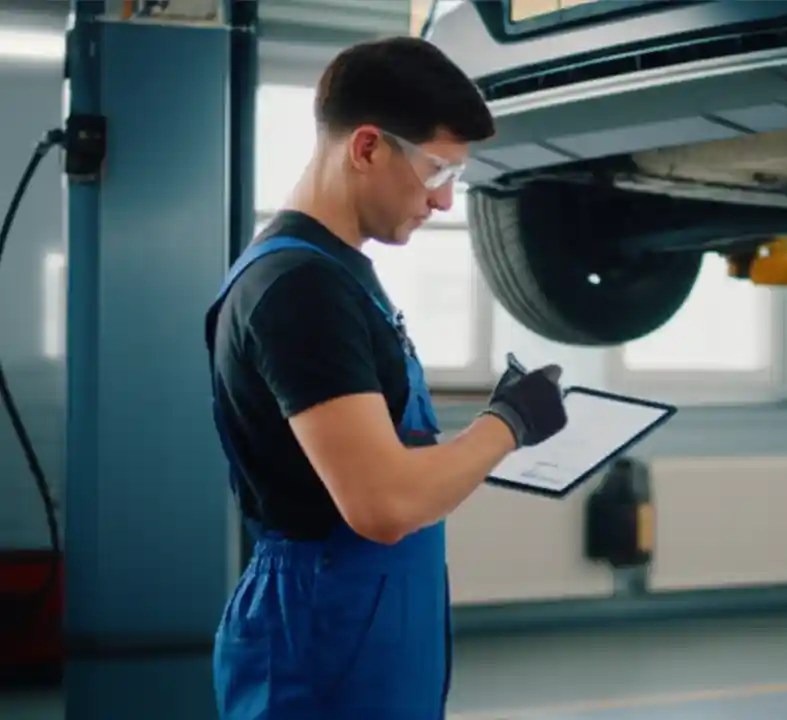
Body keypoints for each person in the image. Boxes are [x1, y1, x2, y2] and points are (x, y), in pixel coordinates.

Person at [204, 37, 568, 719]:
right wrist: (509, 423)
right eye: (435, 170)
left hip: (364, 622)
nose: (442, 201)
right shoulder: (298, 289)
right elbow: (384, 505)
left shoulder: (335, 274)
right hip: (323, 631)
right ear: (367, 147)